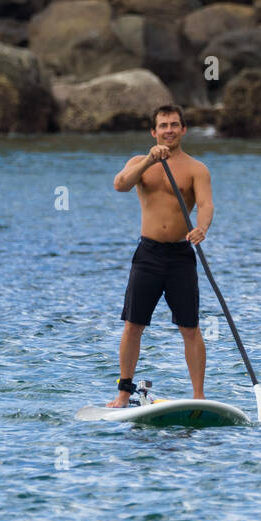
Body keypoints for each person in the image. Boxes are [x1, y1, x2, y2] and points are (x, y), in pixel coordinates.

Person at [105, 104, 213, 408]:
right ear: (154, 132)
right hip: (148, 254)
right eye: (163, 125)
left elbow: (205, 205)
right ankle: (124, 393)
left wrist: (202, 227)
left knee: (189, 327)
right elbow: (120, 185)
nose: (169, 130)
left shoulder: (196, 168)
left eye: (174, 125)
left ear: (183, 130)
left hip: (180, 255)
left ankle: (199, 397)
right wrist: (148, 161)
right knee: (133, 324)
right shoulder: (140, 162)